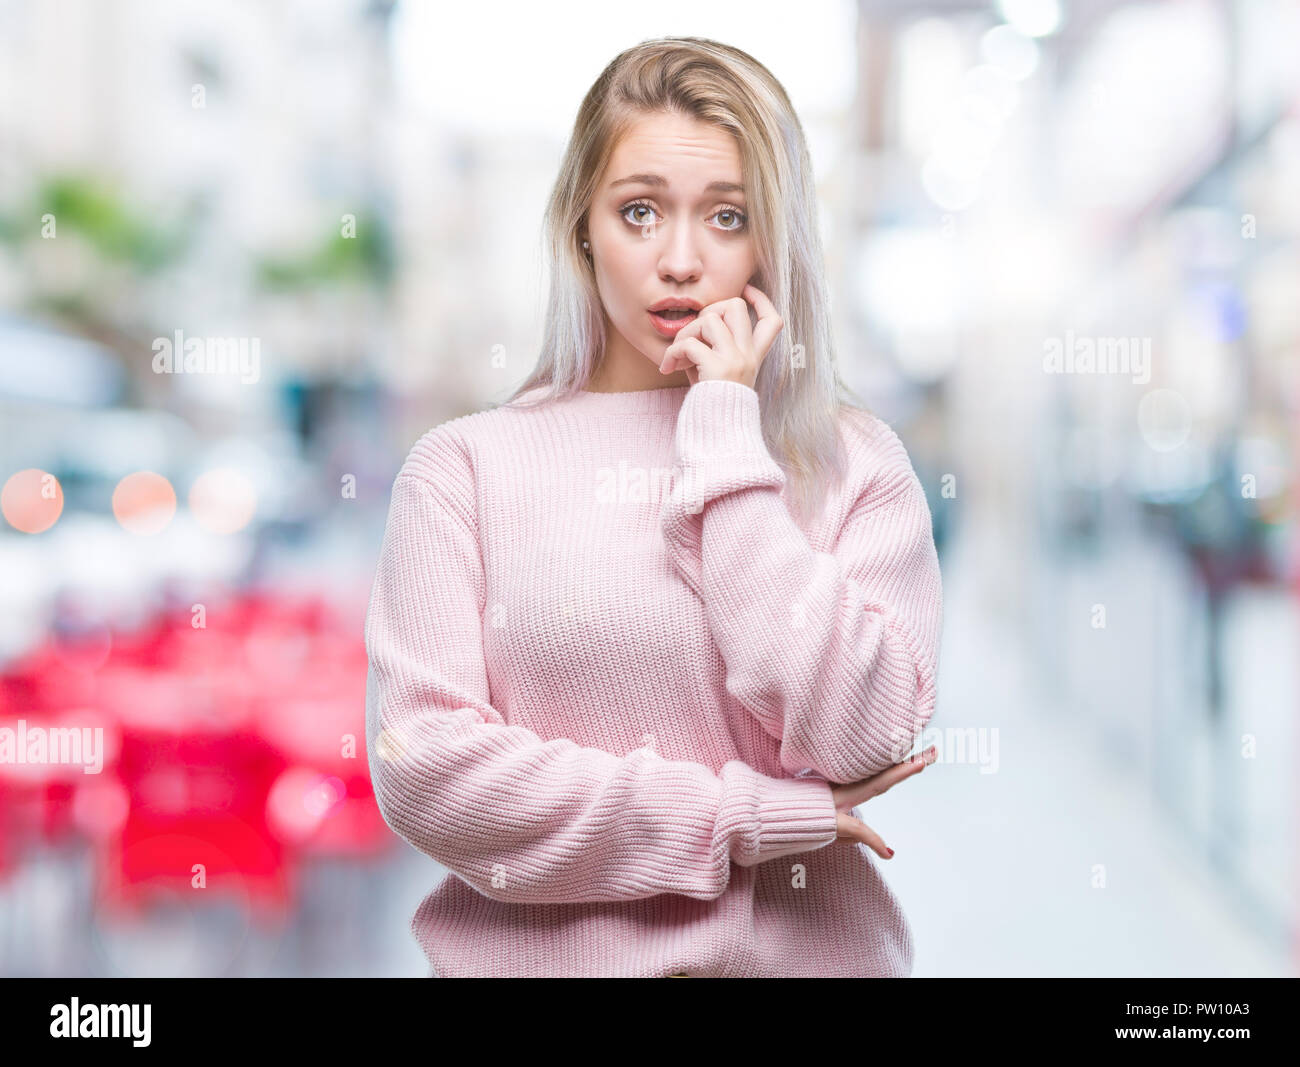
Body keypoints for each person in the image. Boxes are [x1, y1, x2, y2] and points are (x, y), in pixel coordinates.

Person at [364, 36, 943, 978]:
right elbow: (430, 775)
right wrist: (749, 816)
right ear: (582, 227)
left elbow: (862, 732)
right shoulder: (463, 469)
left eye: (727, 216)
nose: (680, 260)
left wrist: (724, 429)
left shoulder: (854, 465)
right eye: (639, 212)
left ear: (776, 238)